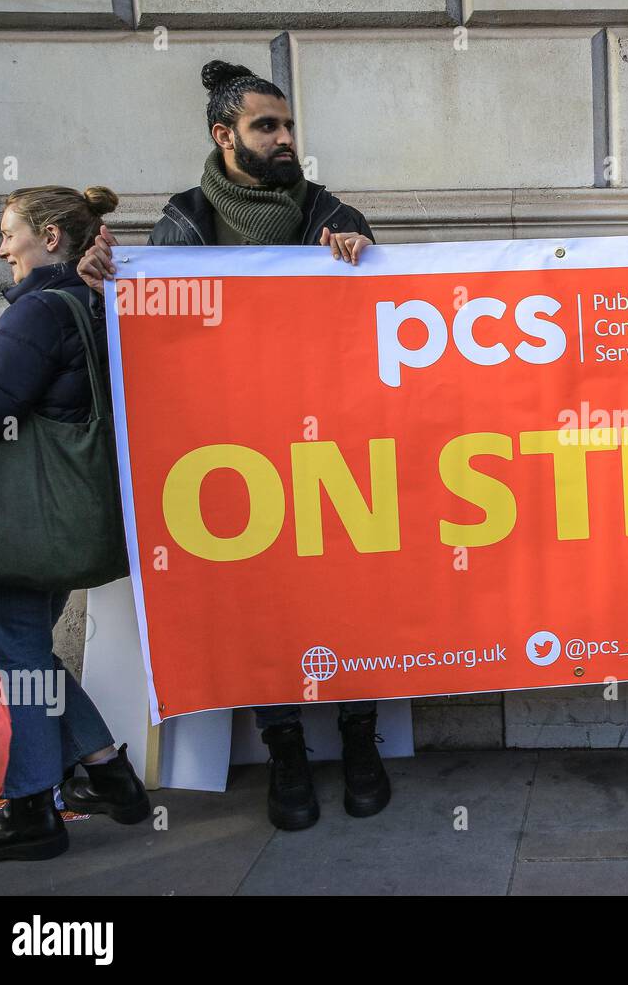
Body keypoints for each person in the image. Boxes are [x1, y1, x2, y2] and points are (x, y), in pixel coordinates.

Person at [78, 60, 385, 832]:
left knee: (353, 602)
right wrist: (100, 287)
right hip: (232, 462)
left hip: (333, 458)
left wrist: (364, 267)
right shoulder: (183, 224)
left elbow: (383, 333)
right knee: (262, 609)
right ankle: (285, 755)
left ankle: (359, 743)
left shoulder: (334, 212)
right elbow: (147, 341)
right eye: (266, 127)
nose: (286, 140)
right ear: (225, 136)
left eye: (288, 127)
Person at [0, 186, 150, 864]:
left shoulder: (40, 311)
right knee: (24, 651)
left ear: (48, 238)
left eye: (8, 234)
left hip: (14, 520)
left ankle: (34, 808)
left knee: (11, 660)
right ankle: (105, 769)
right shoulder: (96, 302)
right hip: (60, 520)